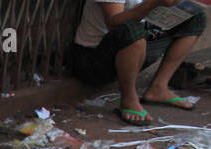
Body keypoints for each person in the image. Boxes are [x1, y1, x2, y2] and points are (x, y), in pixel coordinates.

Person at [69, 0, 207, 126]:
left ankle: (159, 87)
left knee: (196, 18)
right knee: (131, 29)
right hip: (94, 60)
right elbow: (113, 23)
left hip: (137, 48)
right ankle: (129, 99)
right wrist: (153, 4)